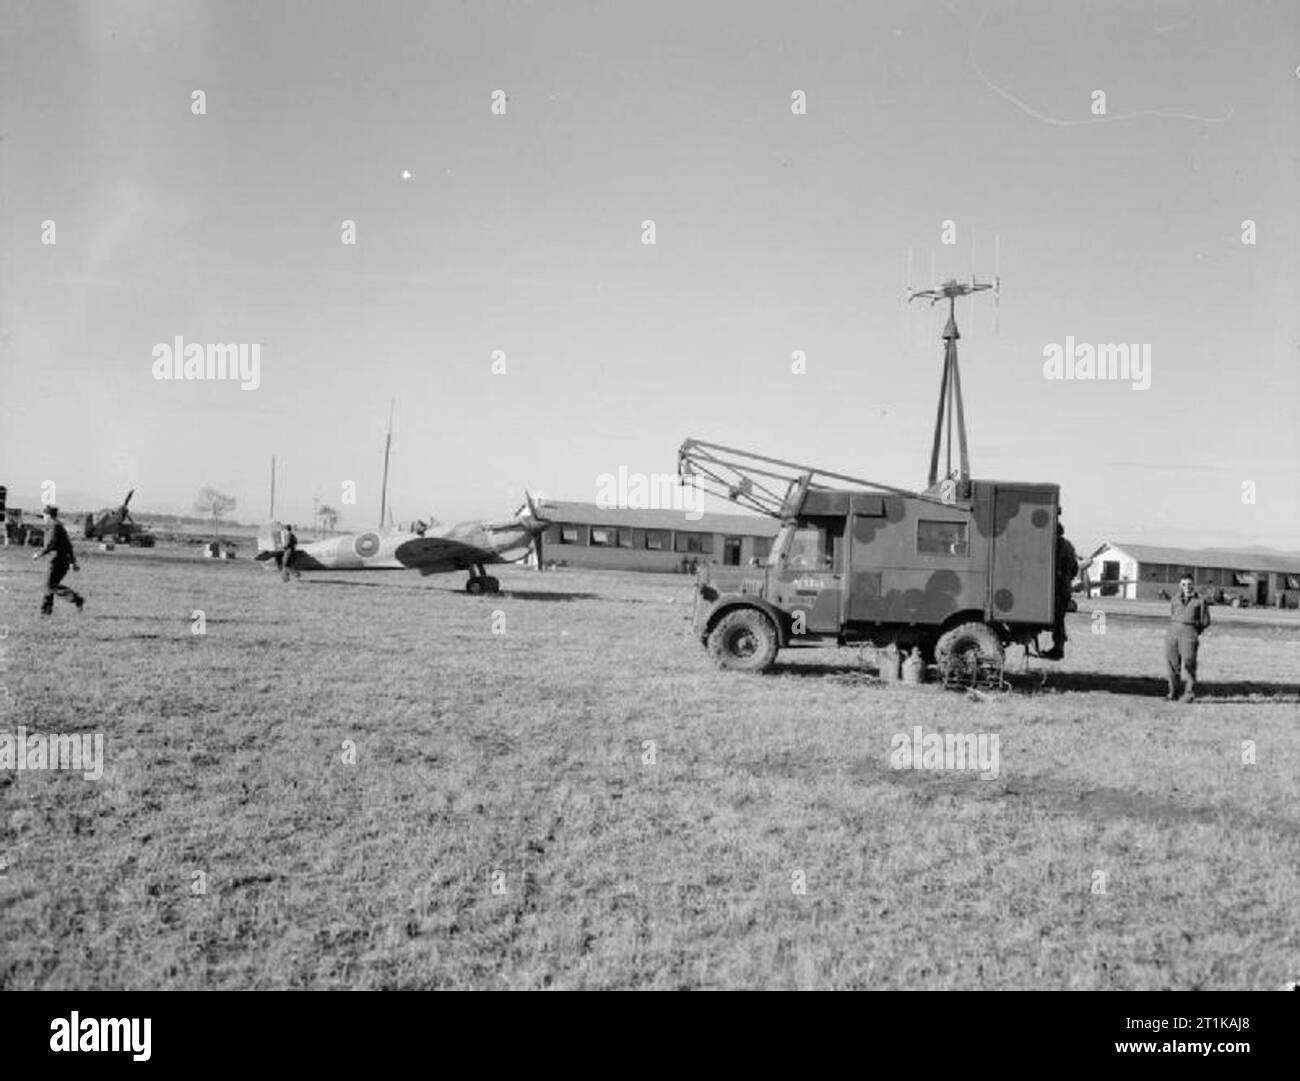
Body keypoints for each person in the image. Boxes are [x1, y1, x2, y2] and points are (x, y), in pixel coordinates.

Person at [1167, 572, 1210, 702]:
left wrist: (1194, 631)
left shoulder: (1200, 600)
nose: (1187, 587)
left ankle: (1189, 694)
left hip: (1189, 632)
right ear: (1180, 585)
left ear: (1193, 585)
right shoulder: (1175, 599)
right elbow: (1172, 614)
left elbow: (1205, 621)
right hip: (1173, 632)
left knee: (1189, 663)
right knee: (1172, 664)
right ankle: (1173, 694)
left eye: (1189, 584)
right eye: (1184, 584)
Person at [32, 506, 84, 615]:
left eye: (45, 516)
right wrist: (73, 562)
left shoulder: (54, 527)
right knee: (50, 585)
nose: (44, 519)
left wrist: (39, 554)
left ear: (48, 515)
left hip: (57, 560)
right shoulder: (60, 527)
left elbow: (51, 544)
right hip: (63, 560)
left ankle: (75, 598)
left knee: (50, 585)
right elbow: (69, 546)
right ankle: (45, 612)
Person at [1042, 522, 1078, 660]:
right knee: (1059, 619)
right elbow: (1075, 569)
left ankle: (1058, 649)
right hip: (1065, 587)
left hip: (1057, 588)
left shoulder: (1057, 547)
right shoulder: (1069, 546)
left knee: (1057, 619)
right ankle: (1059, 647)